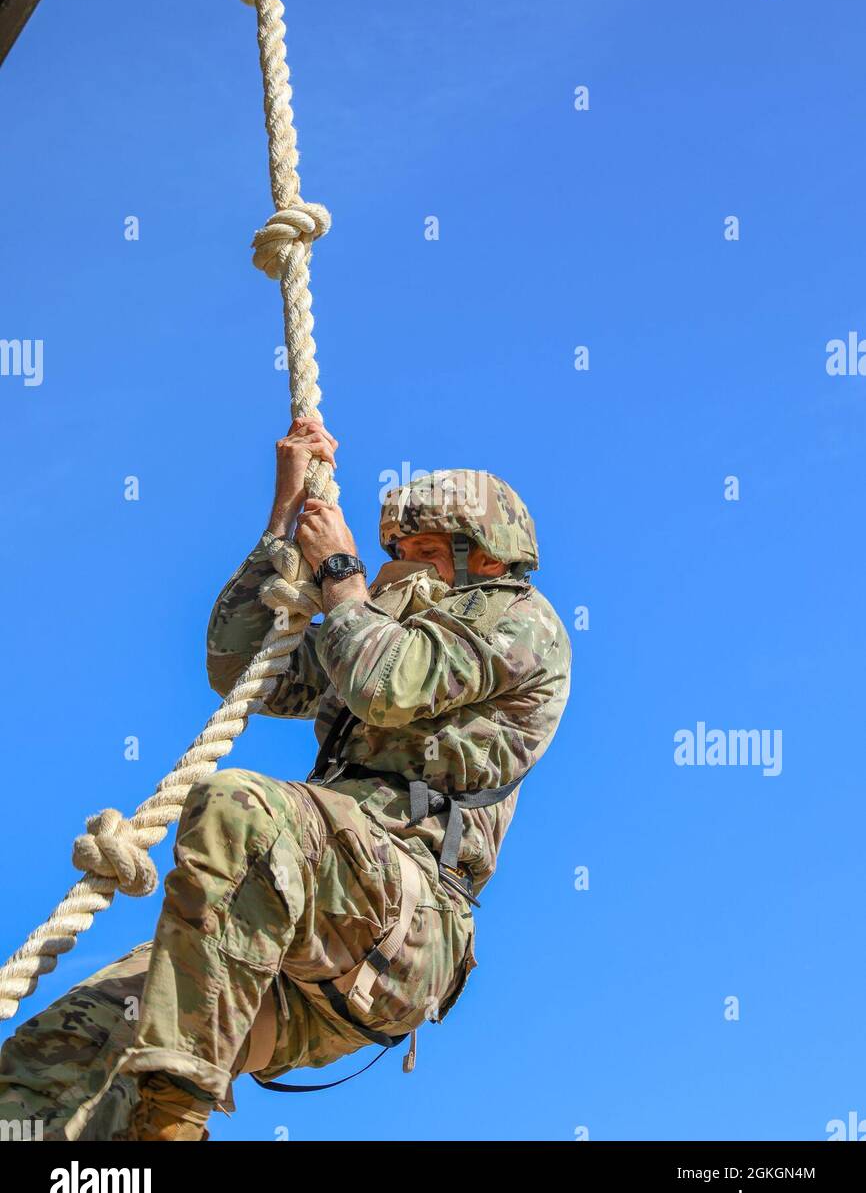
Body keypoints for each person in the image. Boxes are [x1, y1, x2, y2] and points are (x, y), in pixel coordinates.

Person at [0, 419, 570, 1140]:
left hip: (402, 924)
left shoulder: (521, 620)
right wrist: (285, 520)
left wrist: (340, 576)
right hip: (294, 923)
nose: (405, 565)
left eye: (426, 552)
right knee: (75, 1036)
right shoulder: (370, 618)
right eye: (398, 551)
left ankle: (171, 1122)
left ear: (485, 559)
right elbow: (241, 671)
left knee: (237, 806)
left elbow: (385, 686)